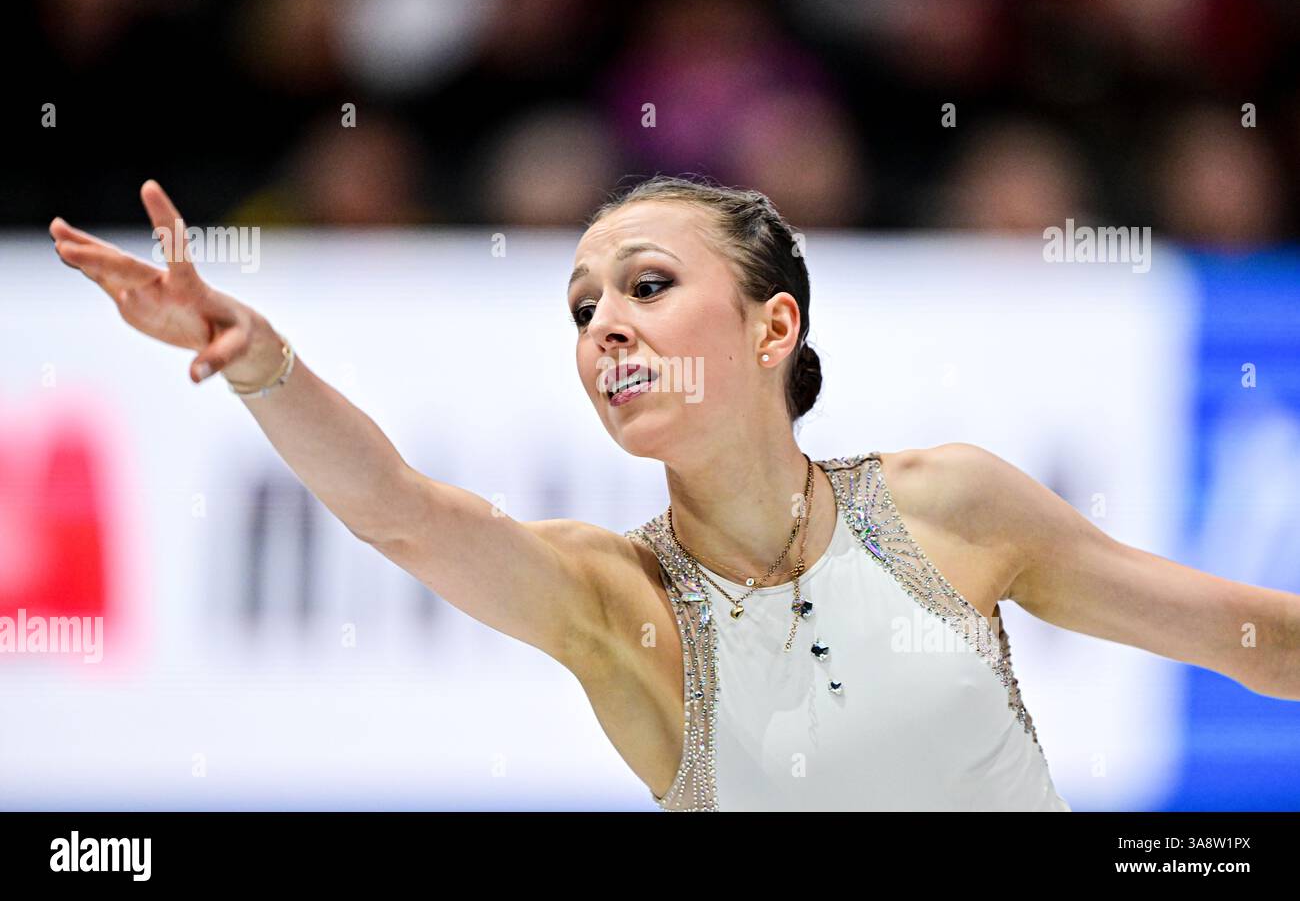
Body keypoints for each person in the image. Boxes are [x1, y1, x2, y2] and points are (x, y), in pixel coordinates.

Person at [49, 176, 1300, 811]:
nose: (602, 322)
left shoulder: (948, 507)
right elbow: (404, 511)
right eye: (581, 305)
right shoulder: (617, 604)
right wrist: (264, 366)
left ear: (772, 326)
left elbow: (1246, 638)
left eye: (646, 284)